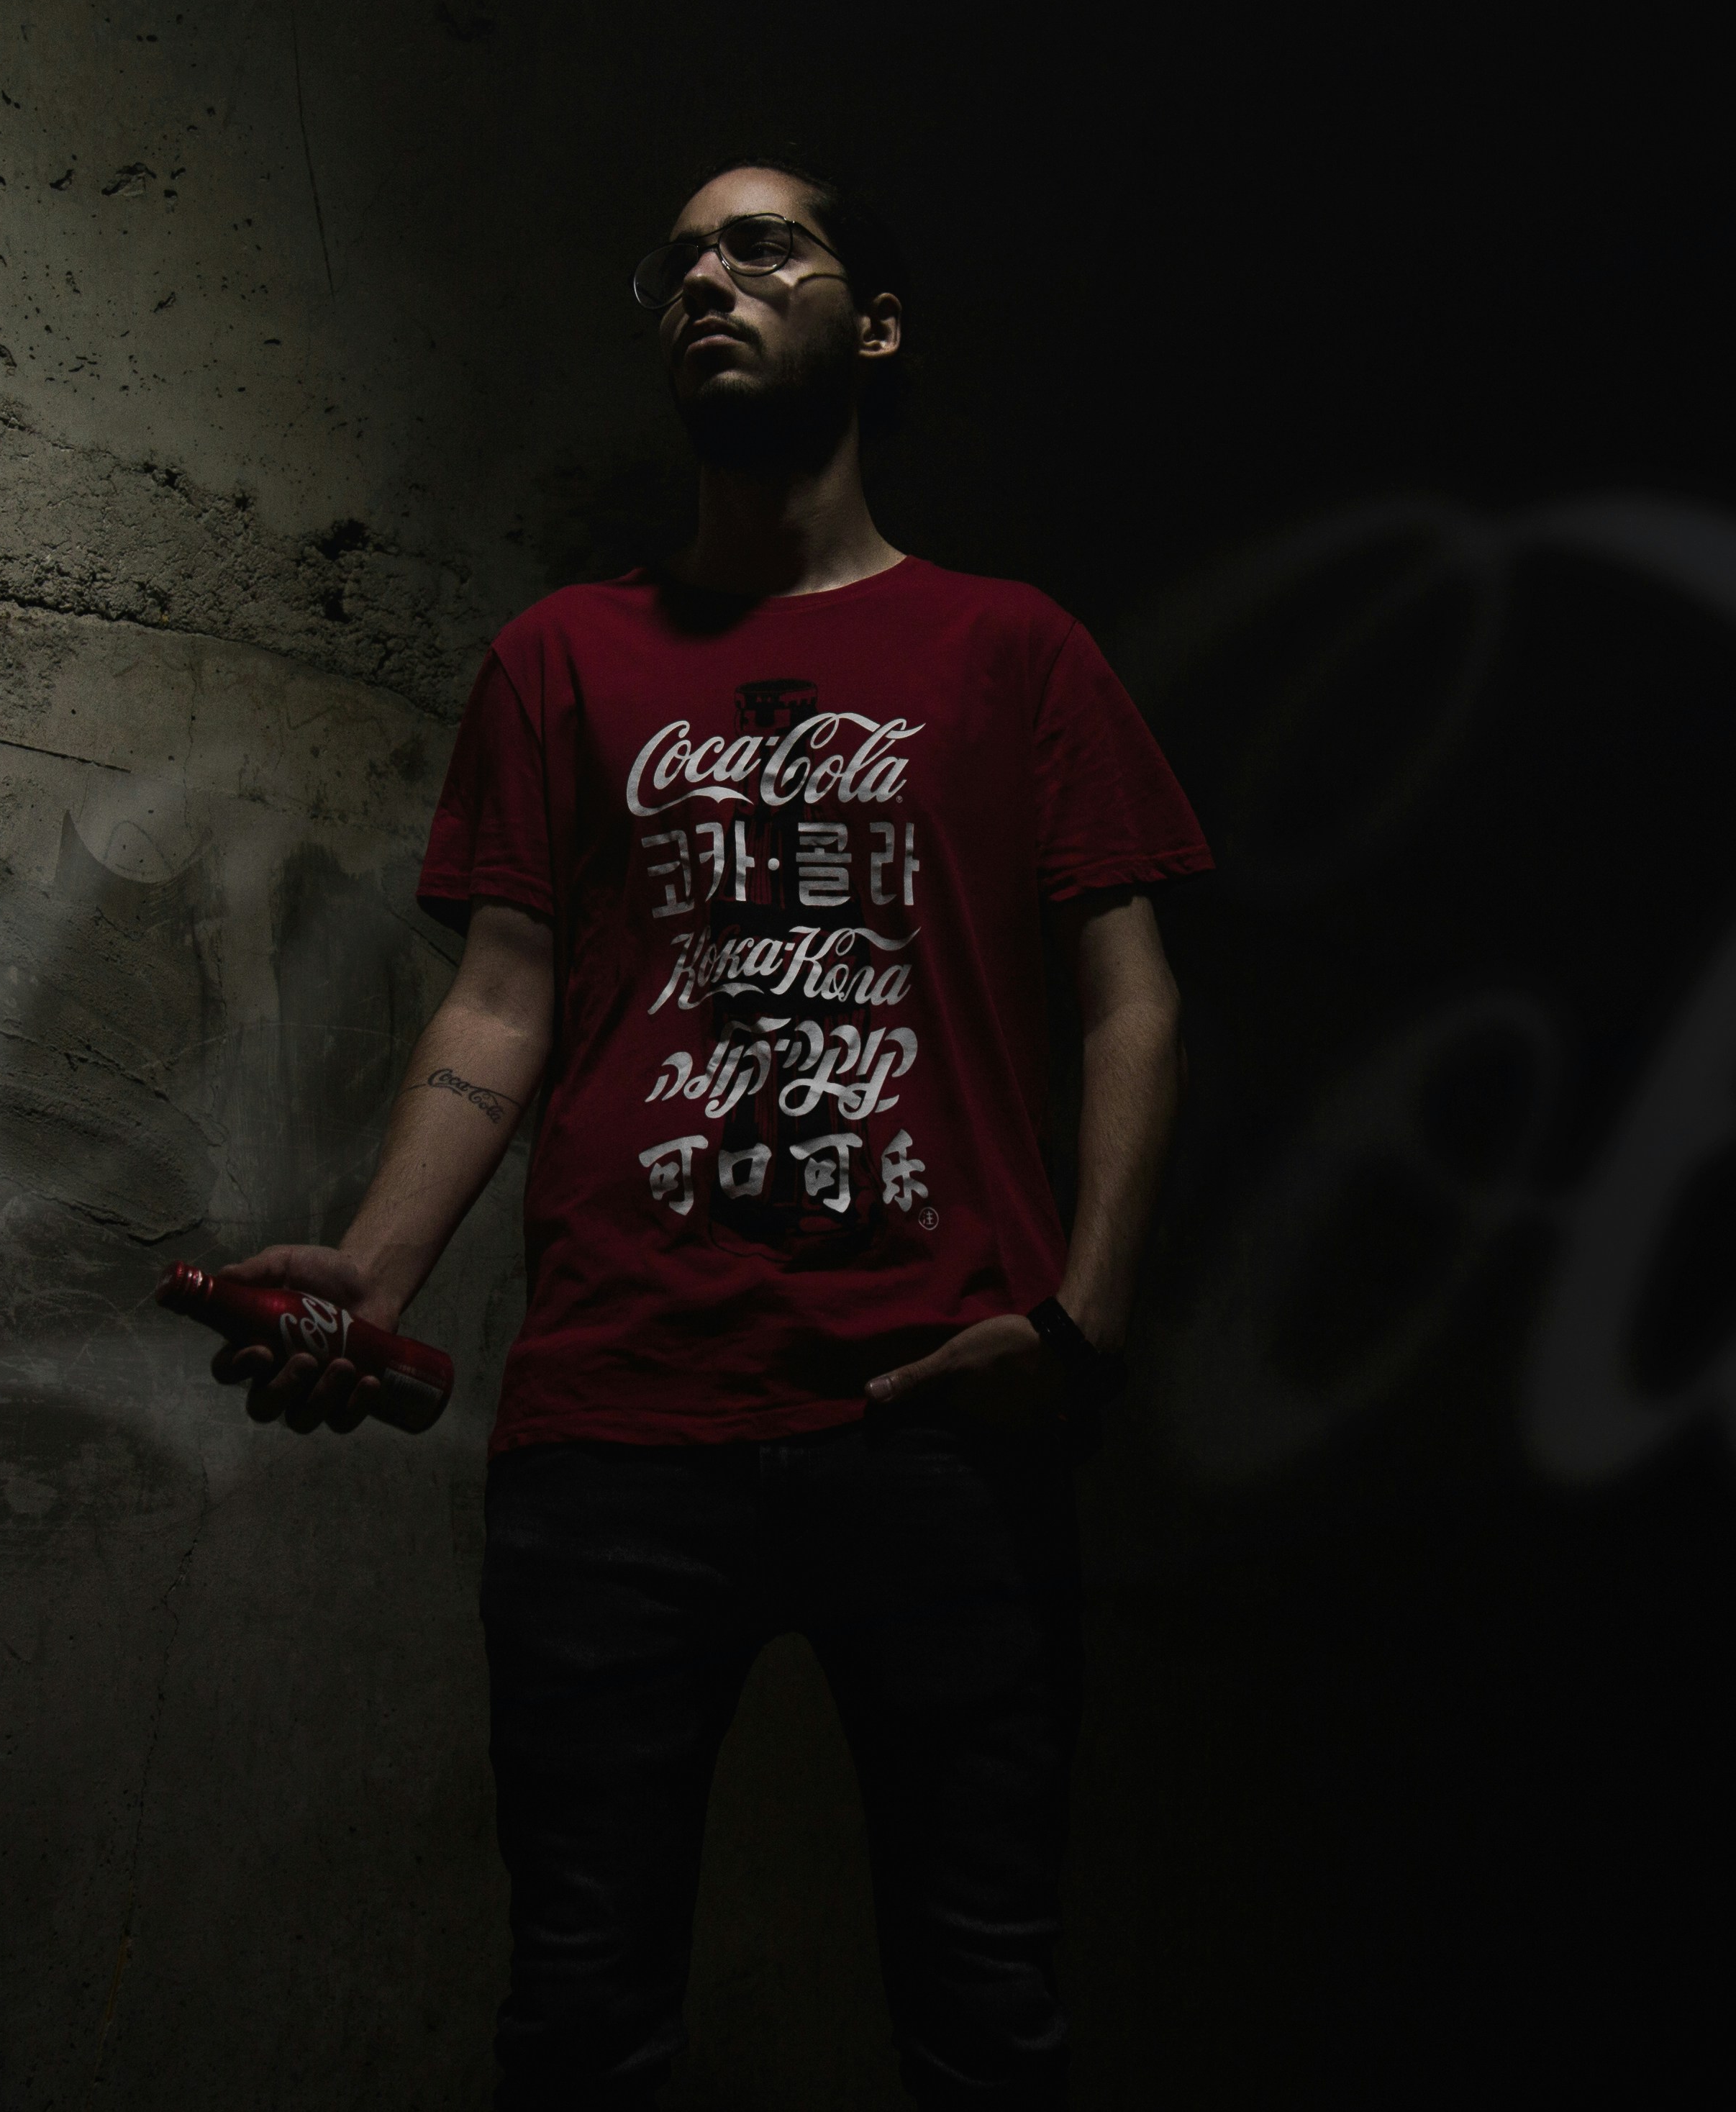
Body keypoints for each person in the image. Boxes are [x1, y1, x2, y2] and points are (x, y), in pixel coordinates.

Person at [210, 160, 1203, 2109]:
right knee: (581, 2019)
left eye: (765, 247)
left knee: (986, 2011)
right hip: (616, 1427)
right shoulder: (559, 660)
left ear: (875, 323)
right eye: (677, 261)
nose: (708, 279)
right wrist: (380, 1263)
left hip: (941, 1414)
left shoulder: (1015, 652)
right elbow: (506, 997)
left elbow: (1135, 1000)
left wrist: (1080, 1331)